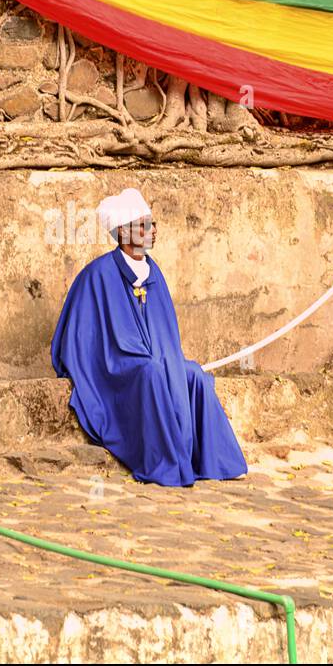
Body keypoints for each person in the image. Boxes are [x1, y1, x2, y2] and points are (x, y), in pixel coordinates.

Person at [50, 188, 247, 487]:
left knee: (194, 374)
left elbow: (165, 332)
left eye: (153, 224)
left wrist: (168, 361)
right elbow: (79, 335)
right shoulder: (97, 275)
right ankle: (166, 463)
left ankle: (214, 462)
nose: (153, 230)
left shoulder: (154, 273)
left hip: (157, 359)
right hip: (117, 367)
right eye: (144, 225)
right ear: (124, 232)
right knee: (151, 372)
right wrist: (100, 362)